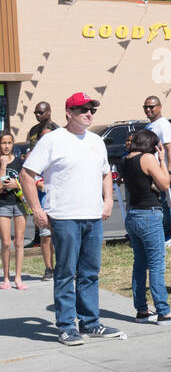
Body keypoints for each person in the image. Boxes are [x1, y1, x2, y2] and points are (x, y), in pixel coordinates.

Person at [18, 92, 120, 345]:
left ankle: (90, 322)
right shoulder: (52, 141)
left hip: (92, 217)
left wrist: (108, 200)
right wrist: (37, 211)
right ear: (69, 113)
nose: (89, 113)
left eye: (92, 110)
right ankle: (65, 326)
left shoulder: (96, 141)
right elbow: (26, 175)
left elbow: (106, 173)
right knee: (65, 273)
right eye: (83, 109)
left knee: (90, 273)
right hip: (64, 218)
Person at [119, 129, 171, 324]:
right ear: (151, 144)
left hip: (132, 214)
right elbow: (165, 184)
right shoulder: (148, 158)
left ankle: (141, 310)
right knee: (156, 264)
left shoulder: (124, 160)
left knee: (139, 264)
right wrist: (163, 160)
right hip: (149, 214)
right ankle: (163, 312)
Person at [142, 95, 171, 246]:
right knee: (157, 204)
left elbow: (170, 147)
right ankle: (162, 233)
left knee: (166, 203)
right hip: (152, 170)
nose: (148, 110)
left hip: (162, 170)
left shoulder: (163, 125)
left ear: (160, 107)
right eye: (146, 107)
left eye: (151, 107)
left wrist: (169, 172)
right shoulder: (150, 126)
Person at [27, 119, 57, 280]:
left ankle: (64, 267)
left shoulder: (61, 152)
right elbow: (37, 182)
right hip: (44, 203)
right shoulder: (35, 156)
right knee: (46, 237)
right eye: (43, 137)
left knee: (62, 238)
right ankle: (48, 268)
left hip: (62, 203)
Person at [0, 133, 29, 289]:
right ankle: (6, 277)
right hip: (2, 204)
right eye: (3, 143)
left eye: (9, 143)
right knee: (5, 242)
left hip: (19, 204)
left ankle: (18, 278)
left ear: (13, 144)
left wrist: (16, 186)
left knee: (19, 241)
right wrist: (3, 166)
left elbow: (26, 184)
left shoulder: (20, 162)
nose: (6, 146)